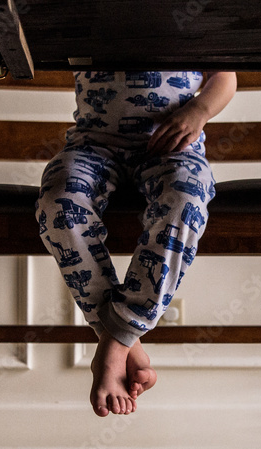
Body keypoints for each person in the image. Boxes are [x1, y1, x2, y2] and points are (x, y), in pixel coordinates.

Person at [36, 70, 238, 417]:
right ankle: (123, 340)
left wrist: (200, 111)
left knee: (185, 201)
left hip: (173, 145)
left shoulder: (192, 17)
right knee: (59, 203)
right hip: (91, 147)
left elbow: (224, 75)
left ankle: (114, 344)